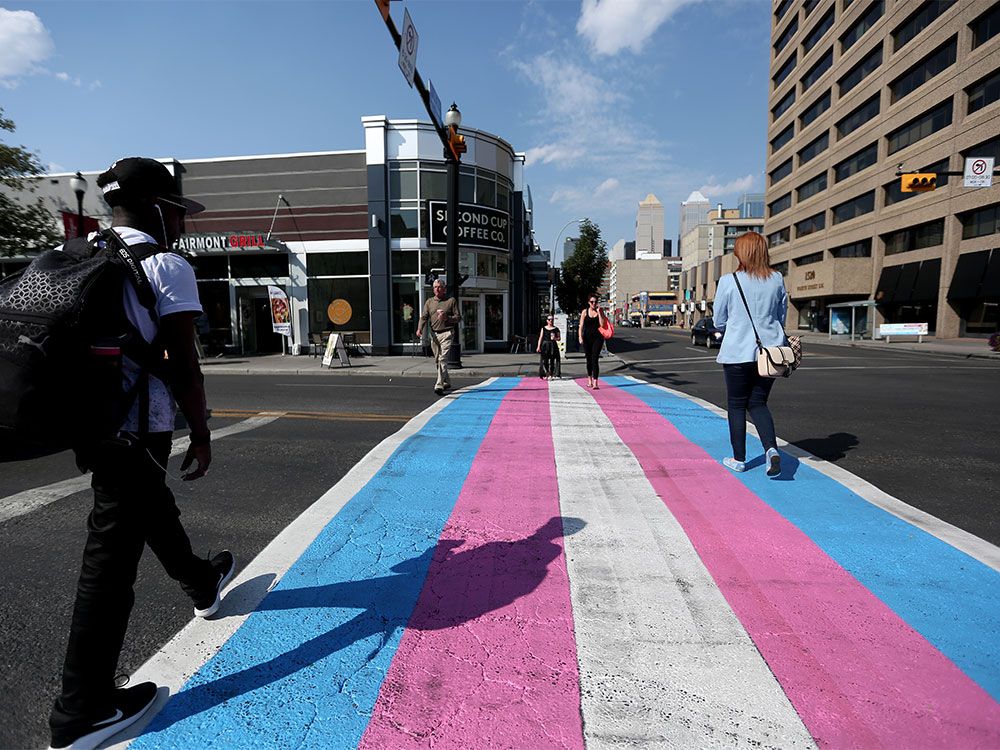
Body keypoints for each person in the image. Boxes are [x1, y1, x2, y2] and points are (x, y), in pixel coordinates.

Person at [49, 158, 235, 750]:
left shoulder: (82, 253)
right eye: (177, 209)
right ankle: (81, 711)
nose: (181, 220)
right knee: (111, 555)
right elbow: (184, 363)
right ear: (157, 207)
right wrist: (201, 434)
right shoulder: (164, 264)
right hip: (138, 425)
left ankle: (202, 583)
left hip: (90, 423)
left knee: (147, 505)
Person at [712, 231, 788, 478]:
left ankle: (739, 459)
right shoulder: (777, 278)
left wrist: (731, 327)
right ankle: (771, 450)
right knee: (758, 403)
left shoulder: (728, 281)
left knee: (736, 405)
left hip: (737, 351)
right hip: (770, 352)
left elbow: (718, 319)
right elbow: (781, 315)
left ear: (741, 254)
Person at [416, 279, 461, 396]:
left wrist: (447, 318)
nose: (437, 289)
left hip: (447, 333)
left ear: (444, 289)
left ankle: (439, 384)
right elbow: (424, 317)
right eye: (435, 287)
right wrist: (420, 328)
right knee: (437, 360)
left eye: (439, 287)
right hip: (434, 334)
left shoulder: (451, 301)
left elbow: (458, 317)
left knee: (443, 359)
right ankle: (447, 381)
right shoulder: (429, 302)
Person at [577, 295, 608, 389]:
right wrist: (580, 337)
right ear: (588, 302)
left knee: (595, 359)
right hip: (586, 338)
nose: (594, 304)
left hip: (598, 338)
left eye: (595, 302)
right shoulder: (584, 312)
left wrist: (599, 313)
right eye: (592, 302)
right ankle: (589, 380)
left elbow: (602, 324)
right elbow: (581, 326)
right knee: (589, 360)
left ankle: (595, 382)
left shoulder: (600, 311)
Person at [536, 315, 561, 380]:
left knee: (552, 360)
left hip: (553, 345)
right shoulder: (543, 328)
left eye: (552, 319)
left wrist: (555, 338)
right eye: (549, 319)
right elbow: (540, 338)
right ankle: (546, 373)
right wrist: (538, 346)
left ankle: (552, 374)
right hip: (545, 345)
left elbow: (559, 338)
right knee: (544, 360)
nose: (551, 321)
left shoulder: (556, 329)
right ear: (547, 321)